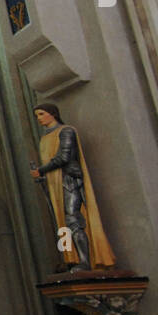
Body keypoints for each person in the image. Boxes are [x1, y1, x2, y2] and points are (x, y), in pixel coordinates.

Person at [30, 103, 116, 271]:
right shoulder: (45, 137)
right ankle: (71, 258)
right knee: (61, 222)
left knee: (73, 220)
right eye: (37, 116)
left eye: (41, 114)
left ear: (52, 114)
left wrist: (41, 170)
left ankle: (85, 261)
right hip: (54, 182)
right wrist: (42, 177)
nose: (39, 118)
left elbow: (64, 157)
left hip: (68, 180)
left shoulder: (66, 131)